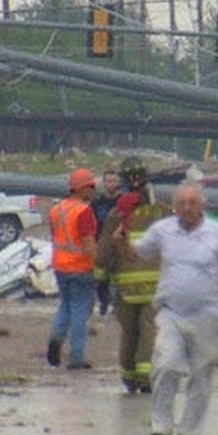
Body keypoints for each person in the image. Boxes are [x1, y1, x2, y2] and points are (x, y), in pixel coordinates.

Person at [113, 181, 218, 435]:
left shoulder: (217, 233)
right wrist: (123, 241)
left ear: (202, 205)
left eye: (192, 203)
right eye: (181, 203)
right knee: (165, 366)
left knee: (201, 375)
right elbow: (135, 254)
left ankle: (188, 434)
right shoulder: (163, 230)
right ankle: (161, 428)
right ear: (174, 206)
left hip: (206, 314)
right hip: (171, 312)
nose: (186, 208)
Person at [94, 158, 171, 393]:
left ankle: (129, 379)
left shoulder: (117, 215)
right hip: (154, 284)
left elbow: (103, 253)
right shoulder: (162, 211)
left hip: (125, 287)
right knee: (150, 330)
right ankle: (145, 378)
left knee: (129, 333)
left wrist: (101, 284)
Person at [46, 168, 99, 370]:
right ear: (81, 188)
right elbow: (88, 244)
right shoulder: (84, 211)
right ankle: (76, 357)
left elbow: (55, 237)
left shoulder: (55, 210)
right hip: (80, 267)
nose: (94, 190)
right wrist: (99, 267)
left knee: (65, 306)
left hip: (60, 266)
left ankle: (55, 341)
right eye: (91, 186)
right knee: (80, 311)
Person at [90, 169, 122, 315]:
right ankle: (103, 303)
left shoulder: (123, 202)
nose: (112, 184)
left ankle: (118, 306)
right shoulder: (97, 203)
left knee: (119, 278)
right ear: (104, 183)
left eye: (115, 181)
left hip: (119, 246)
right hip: (101, 245)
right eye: (109, 181)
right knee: (101, 278)